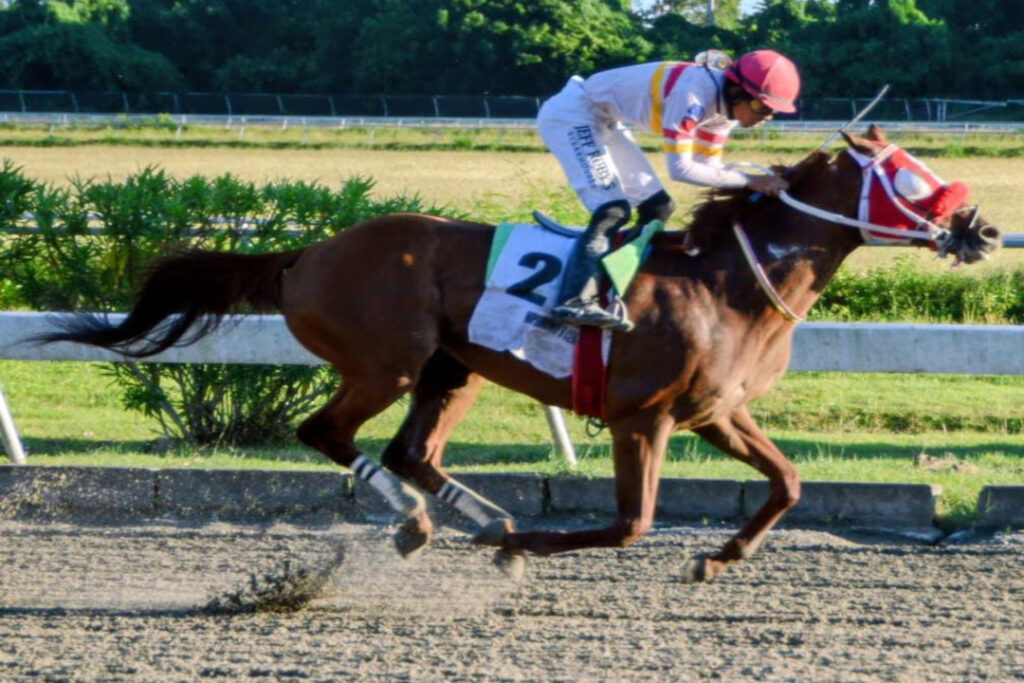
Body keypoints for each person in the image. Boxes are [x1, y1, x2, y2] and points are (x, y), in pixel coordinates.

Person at [537, 49, 801, 331]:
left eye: (773, 111)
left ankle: (618, 287)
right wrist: (749, 180)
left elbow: (707, 166)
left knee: (659, 208)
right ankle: (574, 299)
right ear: (736, 90)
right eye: (761, 106)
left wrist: (754, 178)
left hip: (605, 120)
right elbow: (682, 170)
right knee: (613, 208)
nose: (766, 116)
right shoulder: (694, 95)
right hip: (574, 114)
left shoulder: (723, 113)